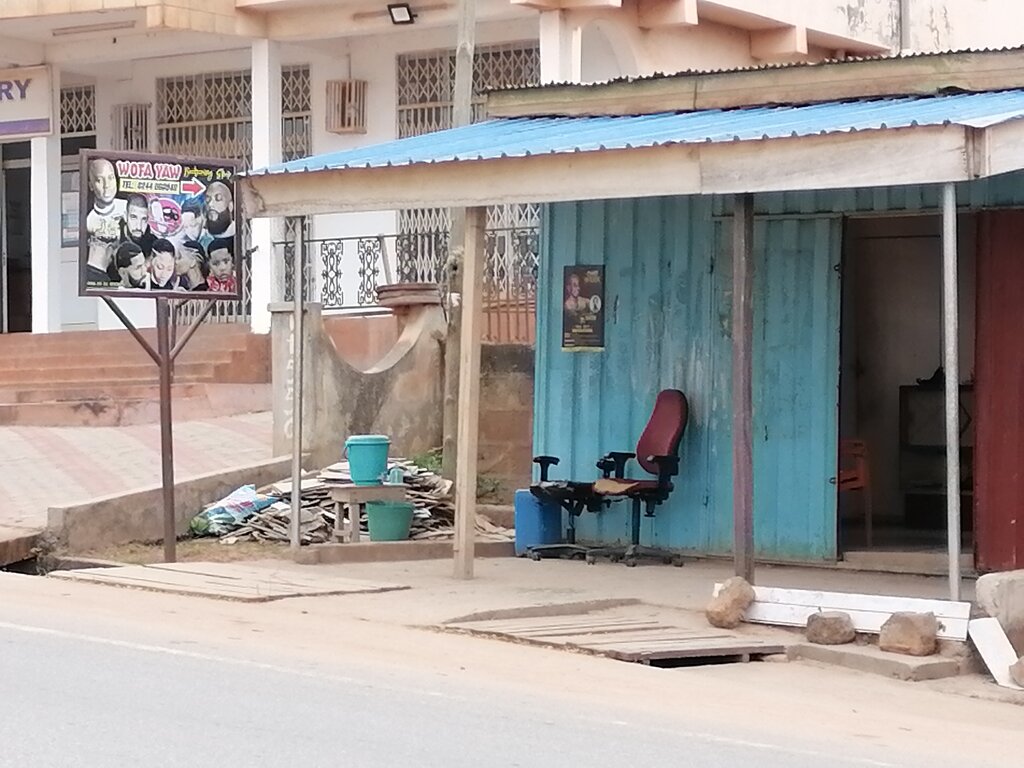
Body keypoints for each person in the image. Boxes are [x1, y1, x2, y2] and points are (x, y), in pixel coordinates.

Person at [84, 157, 125, 243]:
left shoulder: (127, 208)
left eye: (110, 178)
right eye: (99, 180)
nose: (106, 185)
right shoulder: (89, 220)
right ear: (91, 186)